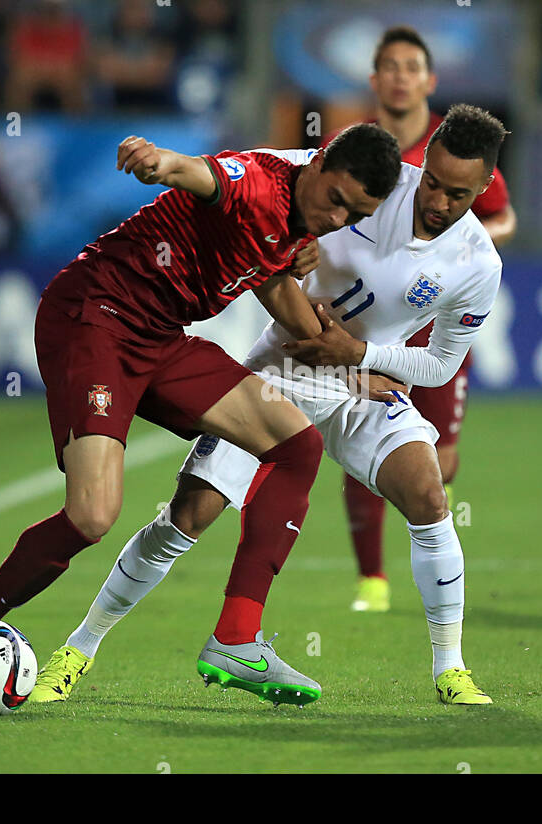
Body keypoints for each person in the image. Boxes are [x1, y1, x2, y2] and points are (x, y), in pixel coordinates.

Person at [33, 105, 507, 707]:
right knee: (189, 515)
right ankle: (78, 648)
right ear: (423, 161)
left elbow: (440, 366)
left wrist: (356, 354)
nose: (436, 200)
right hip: (283, 368)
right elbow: (260, 174)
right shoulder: (377, 184)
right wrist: (176, 165)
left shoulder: (477, 265)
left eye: (457, 193)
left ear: (486, 186)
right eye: (433, 181)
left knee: (429, 494)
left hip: (362, 384)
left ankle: (451, 670)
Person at [0, 124, 402, 710]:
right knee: (92, 515)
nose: (336, 219)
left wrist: (349, 365)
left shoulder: (302, 221)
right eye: (335, 200)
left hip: (159, 337)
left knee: (295, 444)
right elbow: (202, 174)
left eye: (352, 215)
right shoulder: (258, 184)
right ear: (320, 163)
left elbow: (274, 284)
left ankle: (236, 638)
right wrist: (158, 161)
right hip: (96, 316)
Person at [326, 26, 516, 614]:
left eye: (413, 66)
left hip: (428, 320)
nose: (402, 76)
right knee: (352, 439)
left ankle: (428, 542)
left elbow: (502, 220)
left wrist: (459, 248)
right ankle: (373, 581)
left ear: (429, 81)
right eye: (391, 66)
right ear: (375, 79)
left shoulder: (462, 155)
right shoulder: (359, 148)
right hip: (354, 327)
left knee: (440, 460)